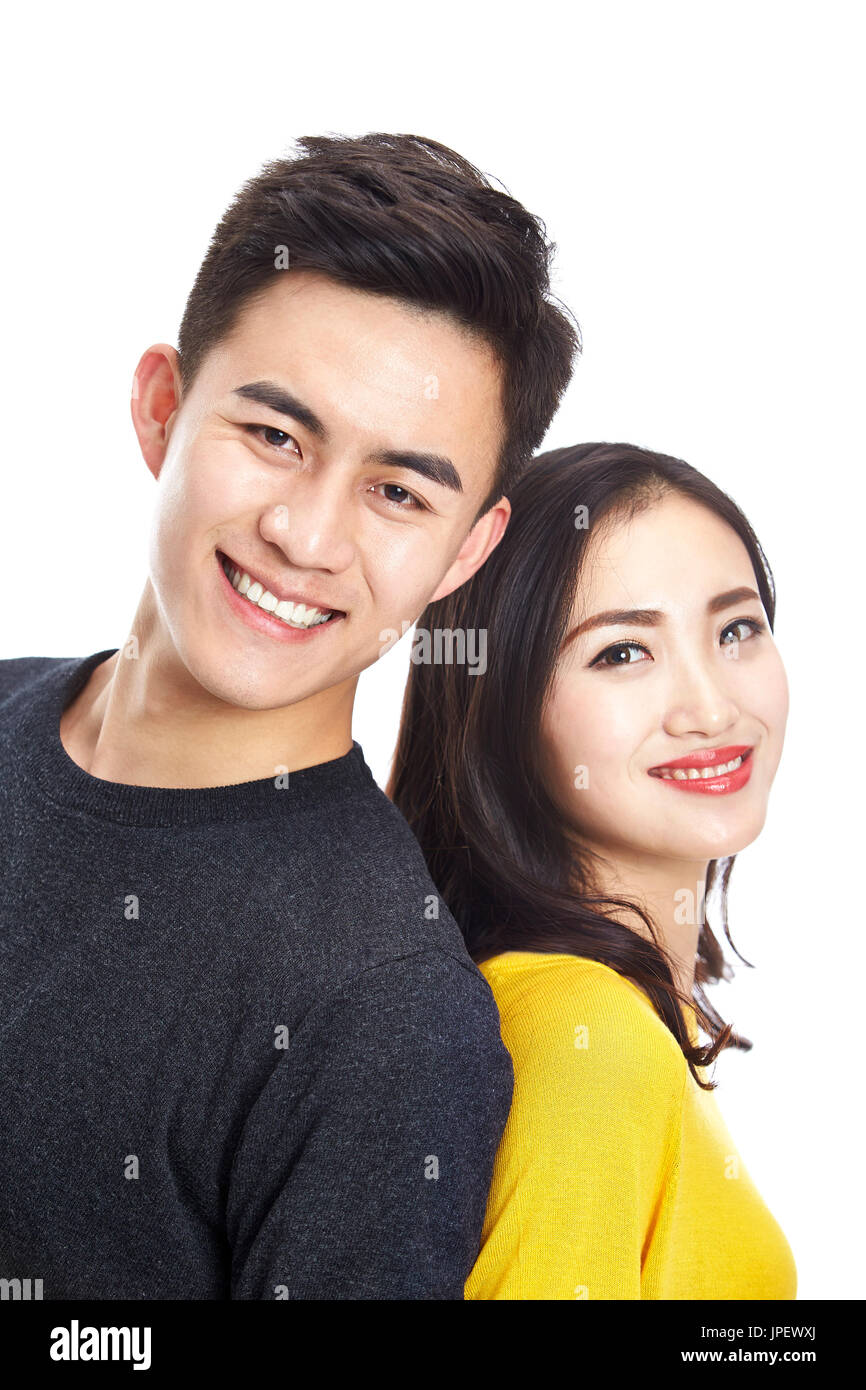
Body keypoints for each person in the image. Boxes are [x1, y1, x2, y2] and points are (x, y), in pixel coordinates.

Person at [0, 133, 580, 1300]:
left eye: (396, 492)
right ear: (161, 408)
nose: (306, 537)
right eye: (275, 435)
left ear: (465, 549)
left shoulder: (384, 1015)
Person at [388, 441, 797, 1299]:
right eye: (621, 652)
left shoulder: (614, 1010)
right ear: (500, 709)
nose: (712, 707)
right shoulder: (589, 1037)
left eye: (736, 629)